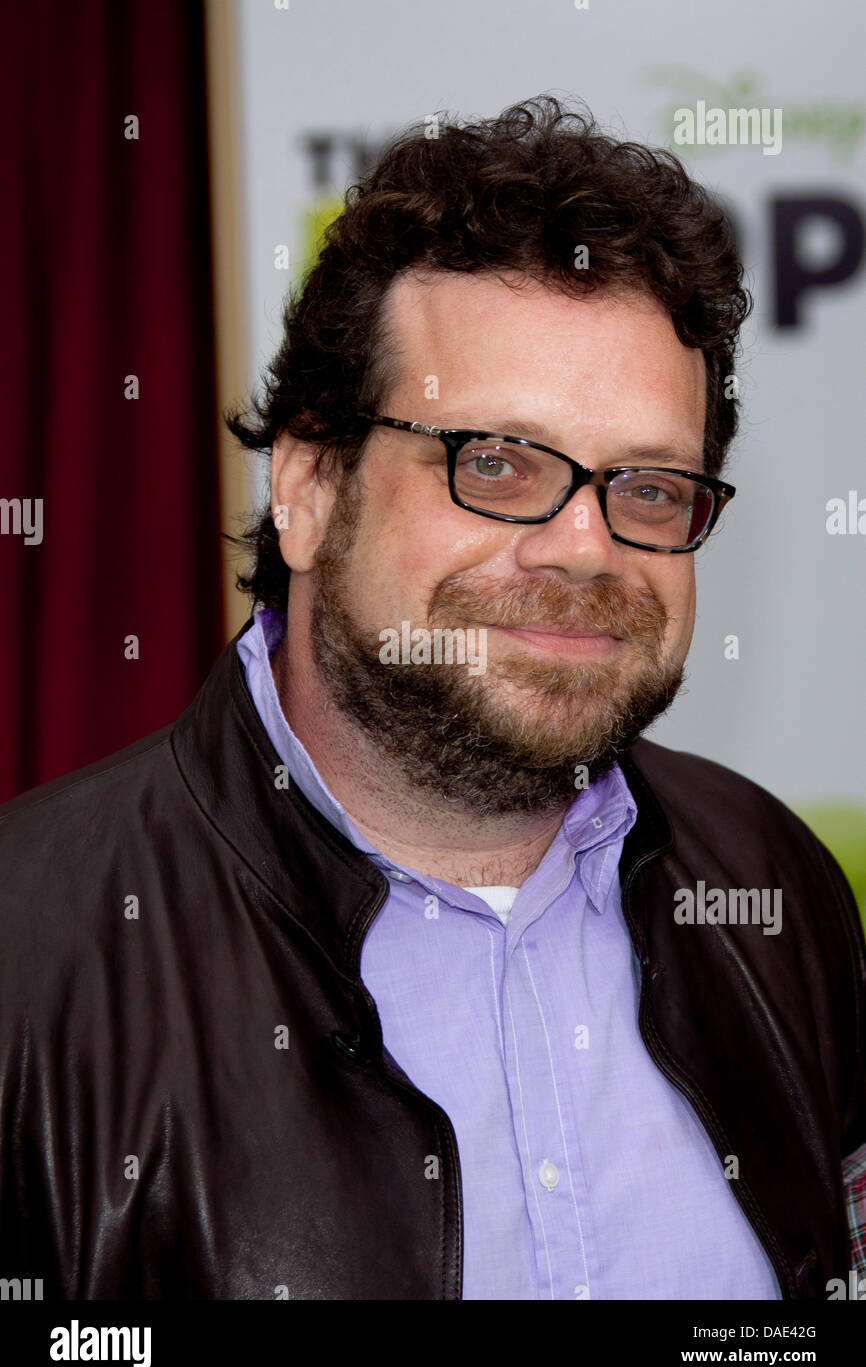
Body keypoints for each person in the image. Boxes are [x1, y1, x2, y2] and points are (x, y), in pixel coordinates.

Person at [1, 96, 864, 1301]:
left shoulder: (769, 885)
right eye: (495, 463)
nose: (582, 548)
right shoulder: (30, 956)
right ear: (306, 483)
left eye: (651, 486)